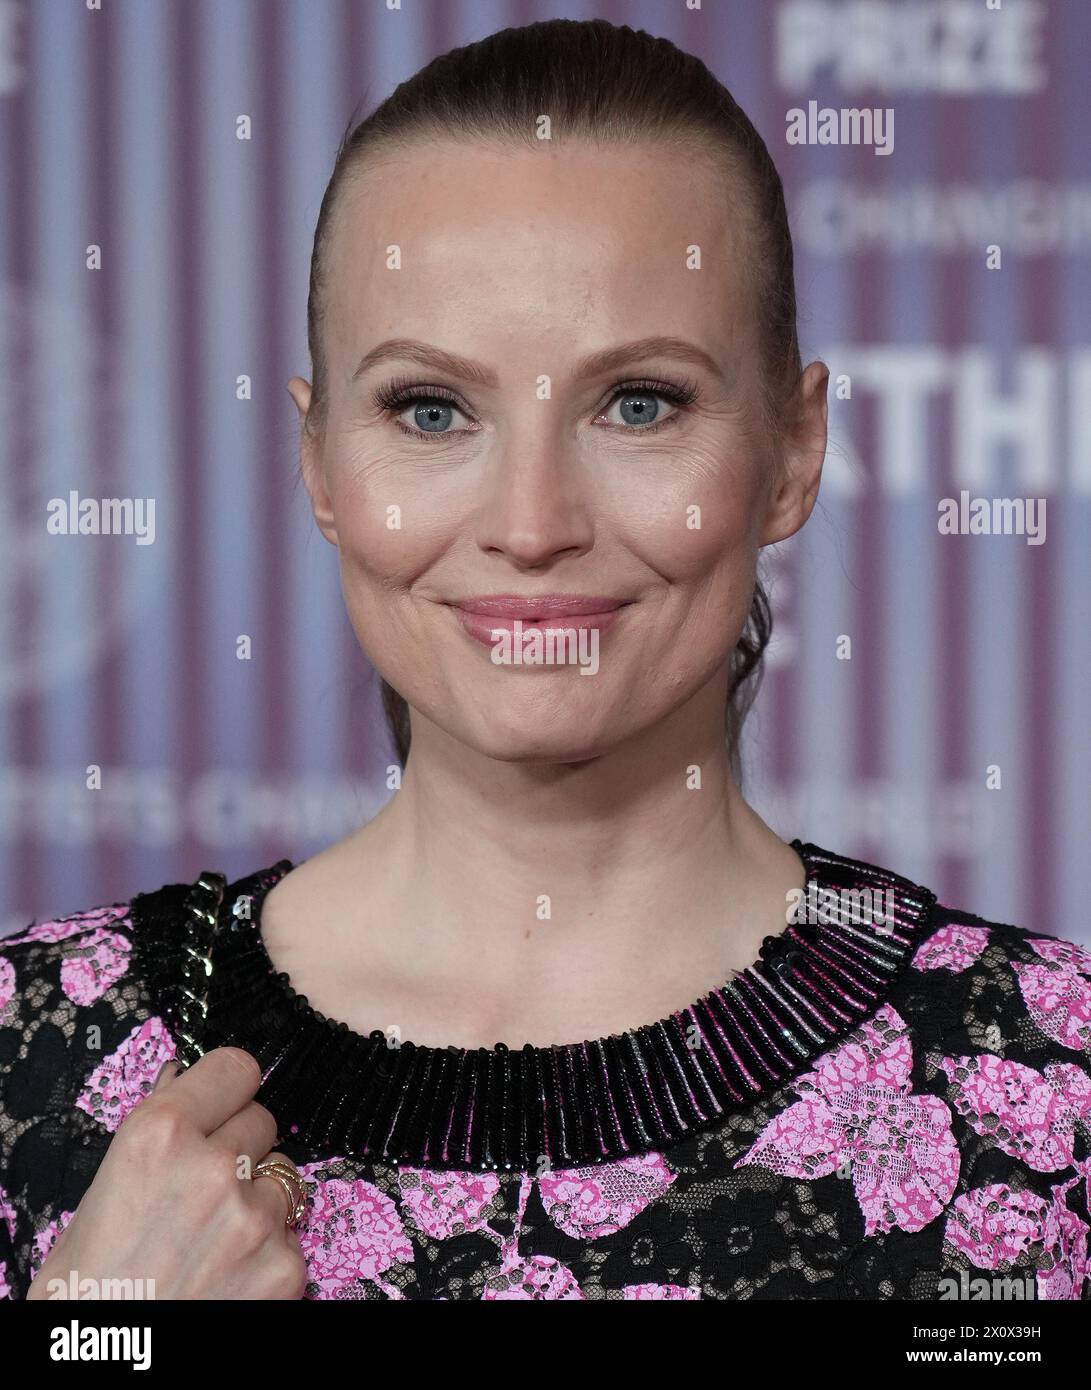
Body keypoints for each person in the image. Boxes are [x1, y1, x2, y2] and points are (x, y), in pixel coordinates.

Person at [2, 18, 1088, 1302]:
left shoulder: (1049, 1086)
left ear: (793, 451)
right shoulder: (35, 1046)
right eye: (429, 410)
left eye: (638, 403)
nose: (530, 524)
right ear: (319, 464)